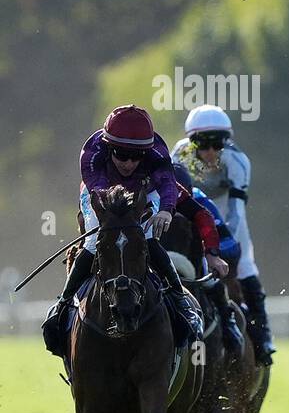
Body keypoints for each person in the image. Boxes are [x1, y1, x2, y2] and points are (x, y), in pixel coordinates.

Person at [42, 104, 203, 357]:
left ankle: (179, 298)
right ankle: (63, 304)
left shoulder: (157, 151)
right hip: (101, 192)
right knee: (95, 242)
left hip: (142, 189)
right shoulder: (92, 152)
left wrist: (166, 210)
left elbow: (166, 183)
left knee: (147, 237)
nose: (129, 162)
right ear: (108, 147)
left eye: (137, 156)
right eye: (121, 154)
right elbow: (101, 191)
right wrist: (116, 222)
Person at [173, 104, 276, 365]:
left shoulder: (238, 160)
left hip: (229, 222)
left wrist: (224, 246)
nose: (209, 152)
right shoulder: (178, 155)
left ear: (226, 141)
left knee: (247, 271)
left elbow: (237, 211)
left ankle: (263, 339)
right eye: (202, 144)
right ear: (191, 141)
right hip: (191, 217)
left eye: (217, 144)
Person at [171, 162, 244, 356]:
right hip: (159, 259)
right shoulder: (148, 197)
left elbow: (226, 240)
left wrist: (218, 257)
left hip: (193, 258)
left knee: (212, 283)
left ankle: (229, 325)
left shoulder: (199, 201)